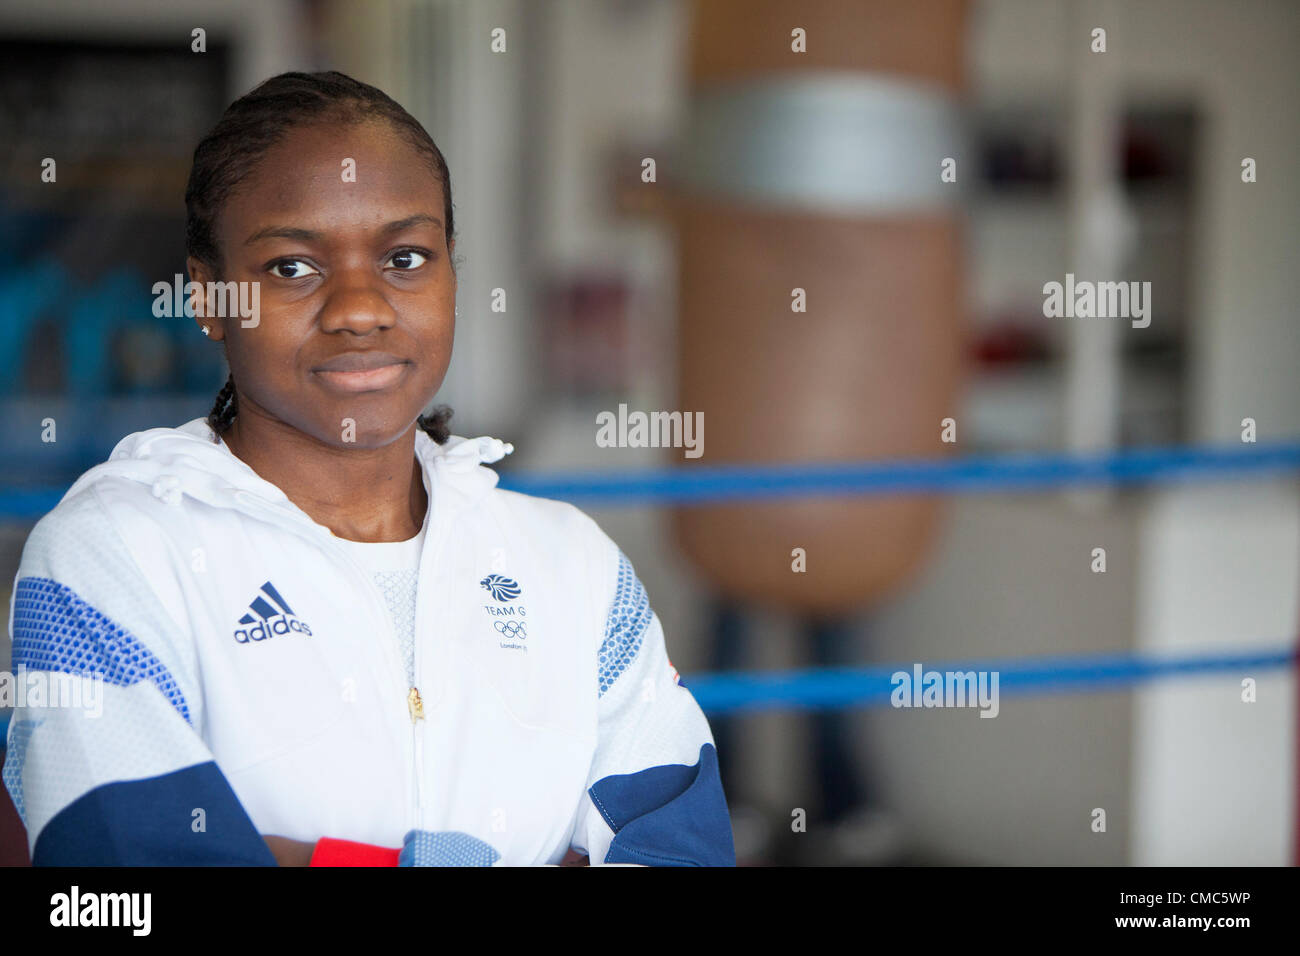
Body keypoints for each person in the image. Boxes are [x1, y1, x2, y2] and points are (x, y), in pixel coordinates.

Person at [2, 71, 735, 867]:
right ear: (208, 298)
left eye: (405, 256)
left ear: (452, 271)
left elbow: (683, 847)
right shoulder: (112, 555)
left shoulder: (574, 567)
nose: (359, 307)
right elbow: (123, 880)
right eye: (291, 267)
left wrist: (303, 857)